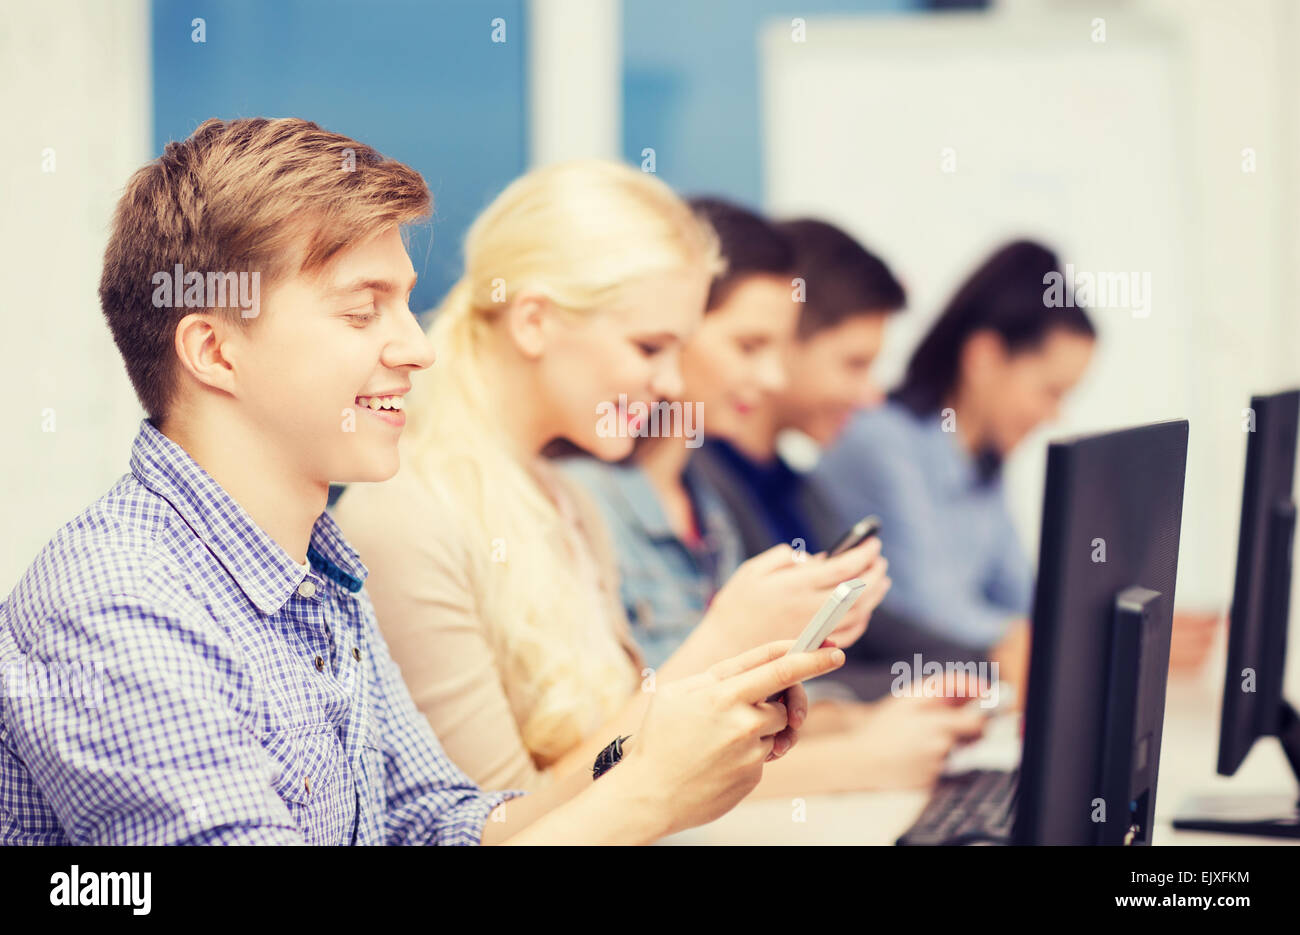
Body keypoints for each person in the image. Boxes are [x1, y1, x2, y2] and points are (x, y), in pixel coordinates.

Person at [0, 119, 845, 846]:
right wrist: (643, 795)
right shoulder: (116, 605)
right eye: (363, 310)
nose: (417, 347)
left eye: (405, 305)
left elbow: (444, 824)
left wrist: (667, 749)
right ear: (215, 351)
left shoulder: (320, 574)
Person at [332, 162, 887, 796]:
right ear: (534, 321)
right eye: (650, 348)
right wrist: (724, 639)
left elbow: (618, 756)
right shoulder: (408, 518)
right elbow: (491, 828)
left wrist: (764, 654)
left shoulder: (567, 502)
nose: (673, 384)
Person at [560, 202, 985, 794]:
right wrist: (859, 759)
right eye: (748, 346)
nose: (773, 380)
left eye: (776, 350)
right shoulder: (583, 507)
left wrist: (857, 721)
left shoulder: (706, 508)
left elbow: (738, 713)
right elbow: (612, 758)